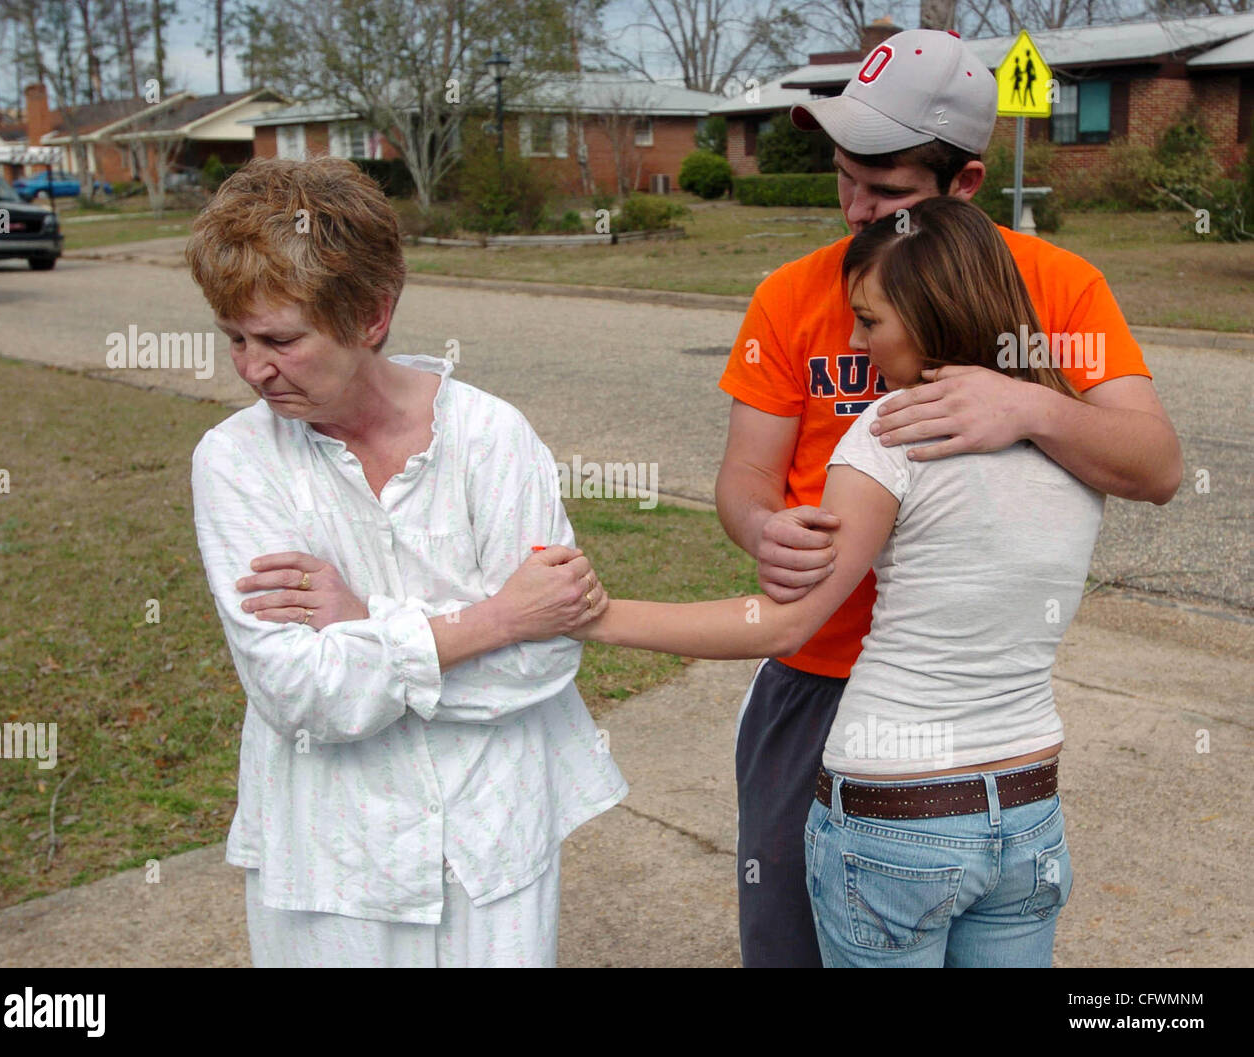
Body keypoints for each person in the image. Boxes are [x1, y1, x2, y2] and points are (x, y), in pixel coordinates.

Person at [715, 27, 1182, 967]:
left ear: (966, 185)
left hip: (967, 709)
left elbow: (1156, 465)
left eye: (885, 192)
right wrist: (765, 530)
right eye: (843, 177)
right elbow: (745, 477)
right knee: (787, 939)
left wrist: (1027, 404)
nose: (853, 209)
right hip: (815, 682)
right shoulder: (792, 293)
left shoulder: (1057, 286)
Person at [575, 194, 1104, 967]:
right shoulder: (1071, 438)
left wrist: (600, 617)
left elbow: (787, 623)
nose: (856, 341)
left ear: (930, 314)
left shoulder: (890, 433)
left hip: (896, 813)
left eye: (871, 319)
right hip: (1028, 809)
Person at [185, 156, 626, 968]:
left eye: (281, 338)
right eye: (236, 338)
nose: (253, 368)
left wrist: (364, 624)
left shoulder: (492, 437)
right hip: (332, 866)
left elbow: (549, 656)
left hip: (492, 847)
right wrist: (494, 618)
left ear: (372, 315)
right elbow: (301, 694)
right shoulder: (235, 462)